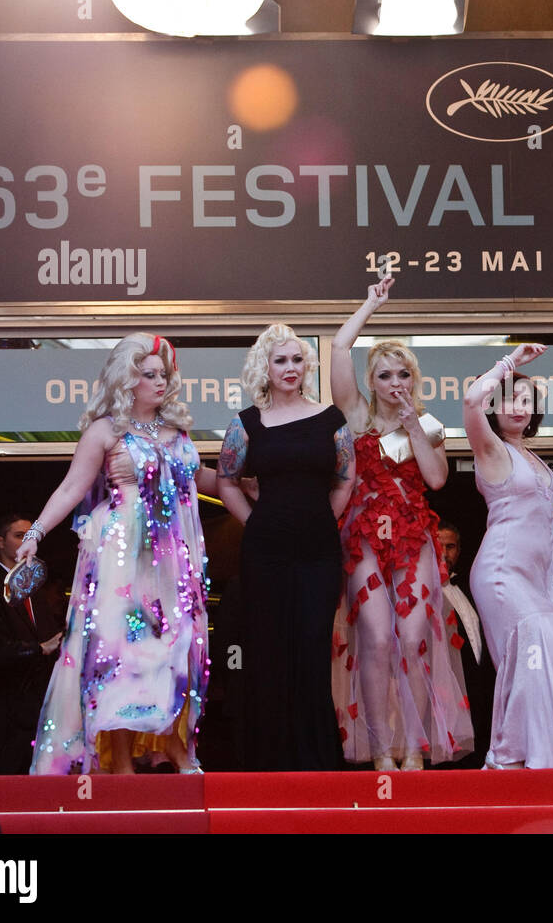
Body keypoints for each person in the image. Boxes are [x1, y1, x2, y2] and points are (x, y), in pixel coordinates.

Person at [19, 334, 213, 775]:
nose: (160, 382)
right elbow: (72, 487)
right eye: (149, 375)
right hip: (122, 561)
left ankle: (178, 749)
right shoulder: (105, 431)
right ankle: (121, 763)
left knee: (175, 651)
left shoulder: (178, 432)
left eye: (163, 374)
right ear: (128, 381)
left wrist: (261, 485)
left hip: (175, 566)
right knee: (124, 656)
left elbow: (202, 480)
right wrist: (36, 532)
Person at [330, 276, 472, 770]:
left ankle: (415, 746)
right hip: (364, 537)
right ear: (372, 381)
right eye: (386, 375)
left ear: (414, 380)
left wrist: (413, 423)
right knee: (375, 637)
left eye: (403, 375)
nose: (396, 384)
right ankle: (381, 751)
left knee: (412, 639)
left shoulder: (429, 426)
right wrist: (370, 303)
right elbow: (339, 345)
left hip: (415, 540)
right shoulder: (354, 416)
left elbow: (435, 481)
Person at [217, 324, 354, 771]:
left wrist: (325, 520)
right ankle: (269, 762)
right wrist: (256, 523)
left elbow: (346, 477)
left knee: (313, 648)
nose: (291, 368)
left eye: (297, 359)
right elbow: (226, 480)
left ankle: (315, 761)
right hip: (266, 553)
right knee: (269, 651)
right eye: (281, 360)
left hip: (319, 551)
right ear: (266, 368)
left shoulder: (331, 419)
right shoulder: (246, 422)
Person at [464, 345, 553, 768]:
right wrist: (509, 364)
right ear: (496, 404)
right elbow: (472, 399)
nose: (519, 407)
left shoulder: (535, 457)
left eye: (527, 400)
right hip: (501, 573)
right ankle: (512, 756)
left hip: (539, 578)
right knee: (535, 650)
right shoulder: (489, 448)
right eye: (510, 398)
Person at [0, 512, 64, 775]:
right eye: (19, 536)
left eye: (30, 536)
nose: (27, 541)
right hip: (4, 706)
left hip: (40, 705)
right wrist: (38, 649)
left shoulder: (37, 591)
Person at [436, 521, 495, 769]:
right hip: (442, 707)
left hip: (478, 700)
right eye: (438, 546)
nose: (444, 553)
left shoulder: (471, 588)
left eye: (450, 547)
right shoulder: (421, 594)